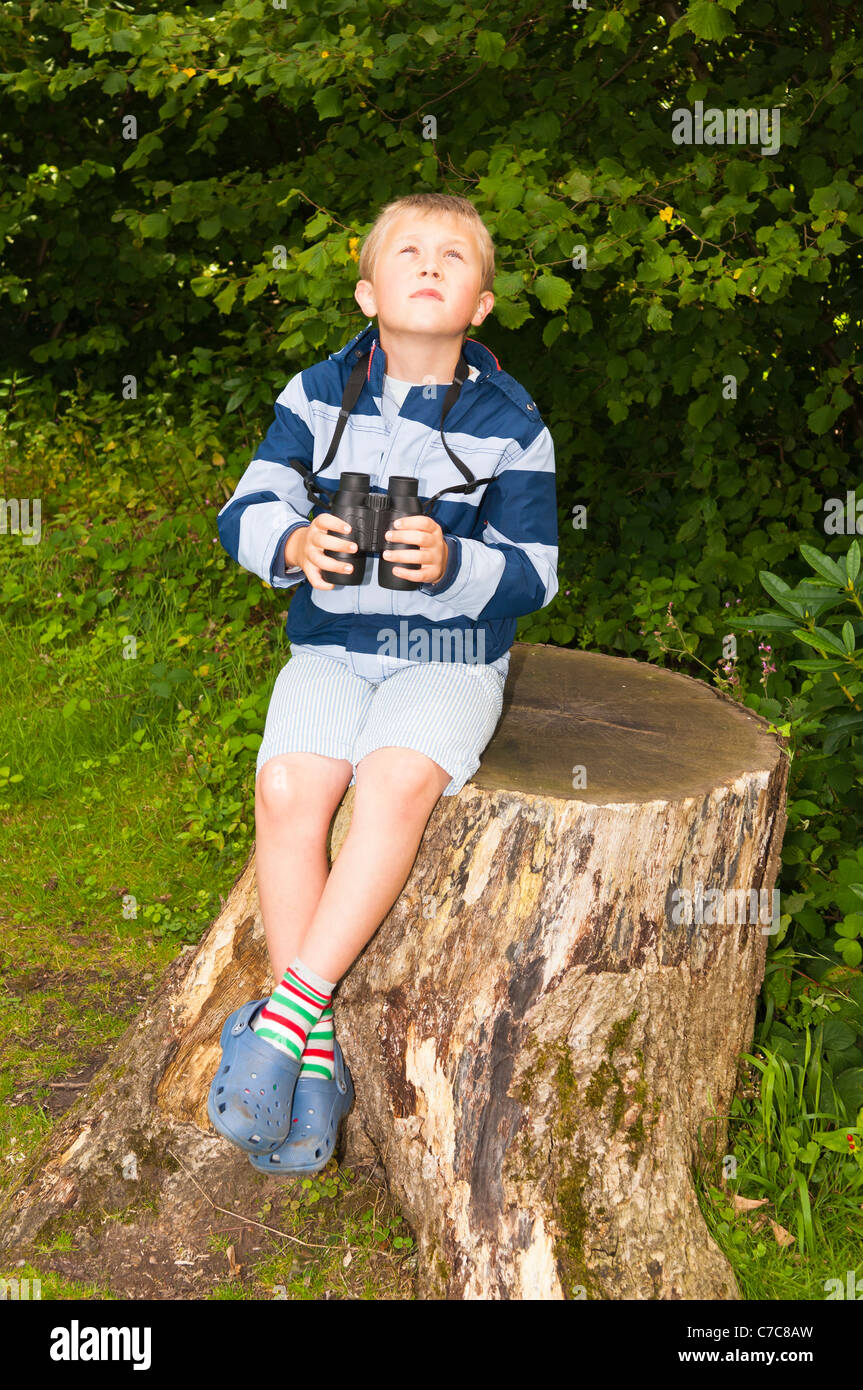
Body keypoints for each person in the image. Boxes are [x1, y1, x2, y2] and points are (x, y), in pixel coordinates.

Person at [207, 192, 559, 1177]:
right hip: (330, 645)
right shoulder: (317, 393)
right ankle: (308, 1054)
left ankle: (280, 1021)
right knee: (287, 791)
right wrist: (286, 538)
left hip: (448, 656)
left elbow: (532, 568)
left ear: (479, 305)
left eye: (454, 255)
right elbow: (251, 497)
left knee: (393, 783)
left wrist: (455, 560)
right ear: (368, 289)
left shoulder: (510, 421)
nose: (430, 262)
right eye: (408, 249)